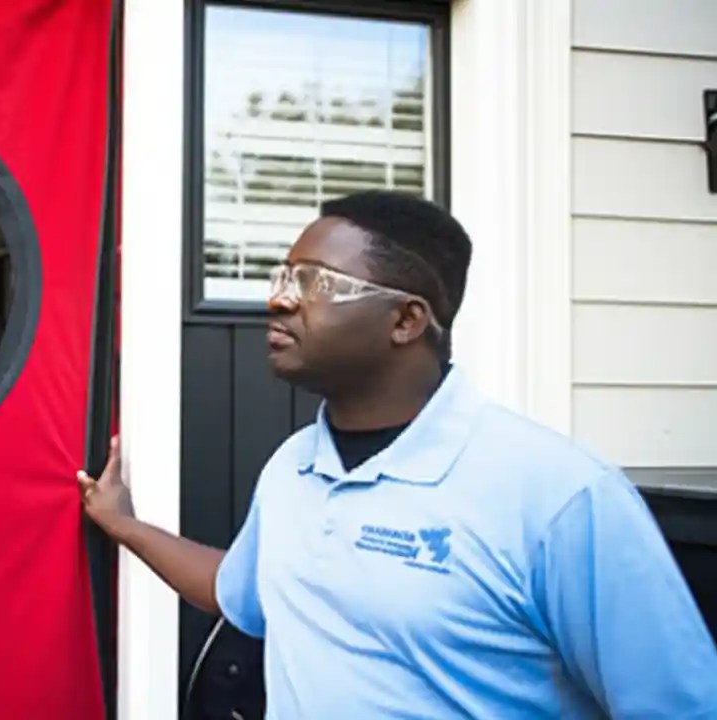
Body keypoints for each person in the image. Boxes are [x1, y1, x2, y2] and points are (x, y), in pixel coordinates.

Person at [78, 190, 717, 718]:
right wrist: (126, 526)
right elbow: (239, 590)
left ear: (406, 321)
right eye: (282, 277)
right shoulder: (294, 467)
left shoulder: (559, 497)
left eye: (313, 282)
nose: (278, 298)